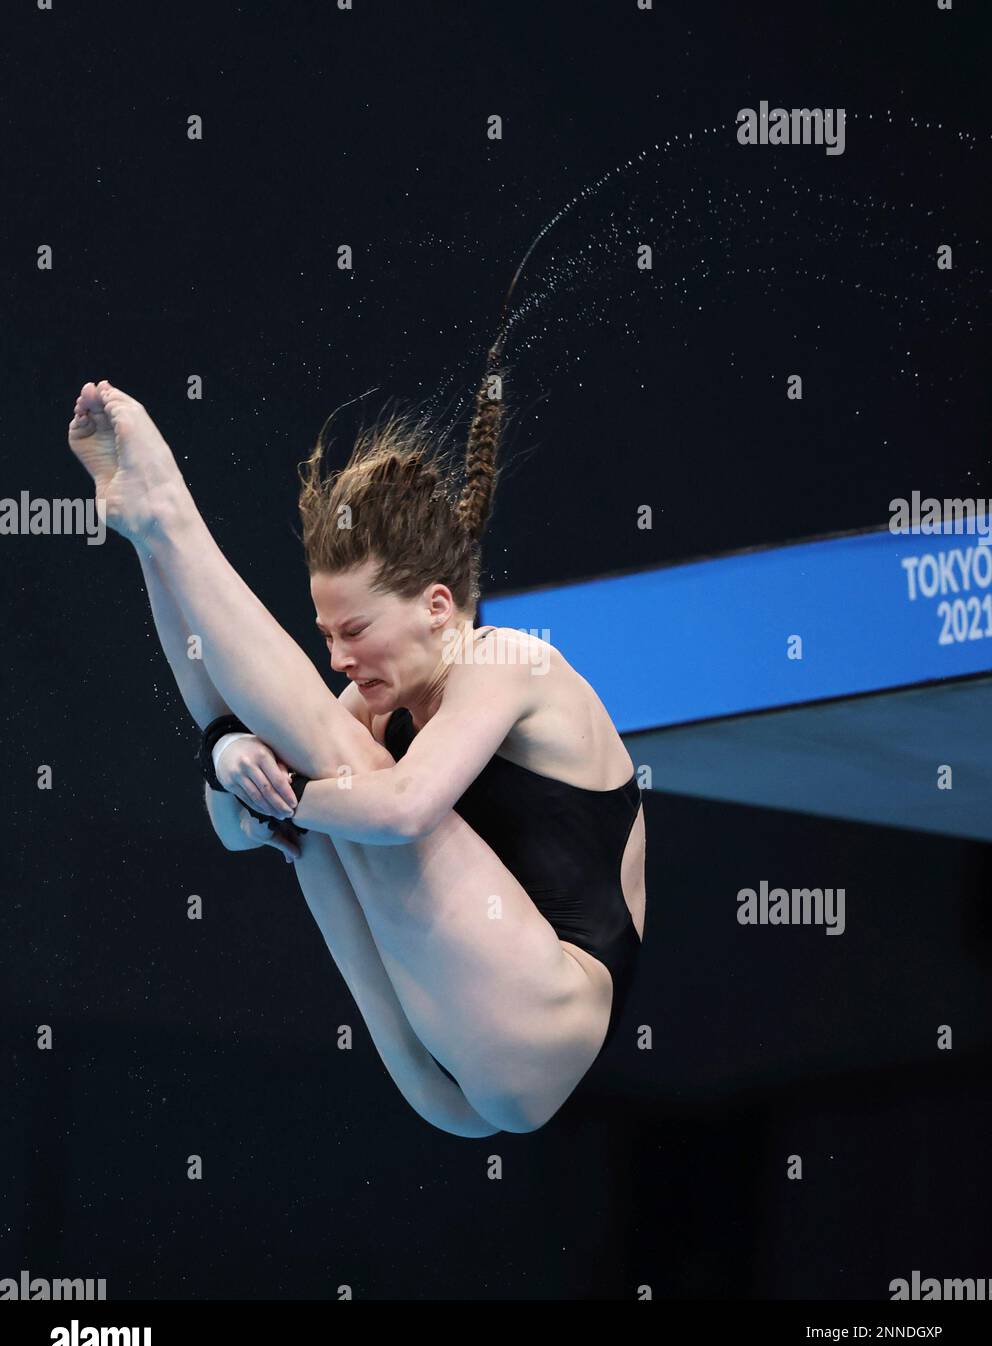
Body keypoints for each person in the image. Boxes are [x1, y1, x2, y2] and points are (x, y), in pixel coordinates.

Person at [66, 360, 646, 1137]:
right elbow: (239, 834)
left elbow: (405, 810)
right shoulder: (374, 709)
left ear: (438, 607)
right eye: (327, 636)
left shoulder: (511, 663)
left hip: (540, 1024)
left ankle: (169, 513)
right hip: (440, 1071)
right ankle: (150, 536)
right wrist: (227, 761)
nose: (339, 659)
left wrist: (286, 791)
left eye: (357, 632)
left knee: (341, 774)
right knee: (305, 787)